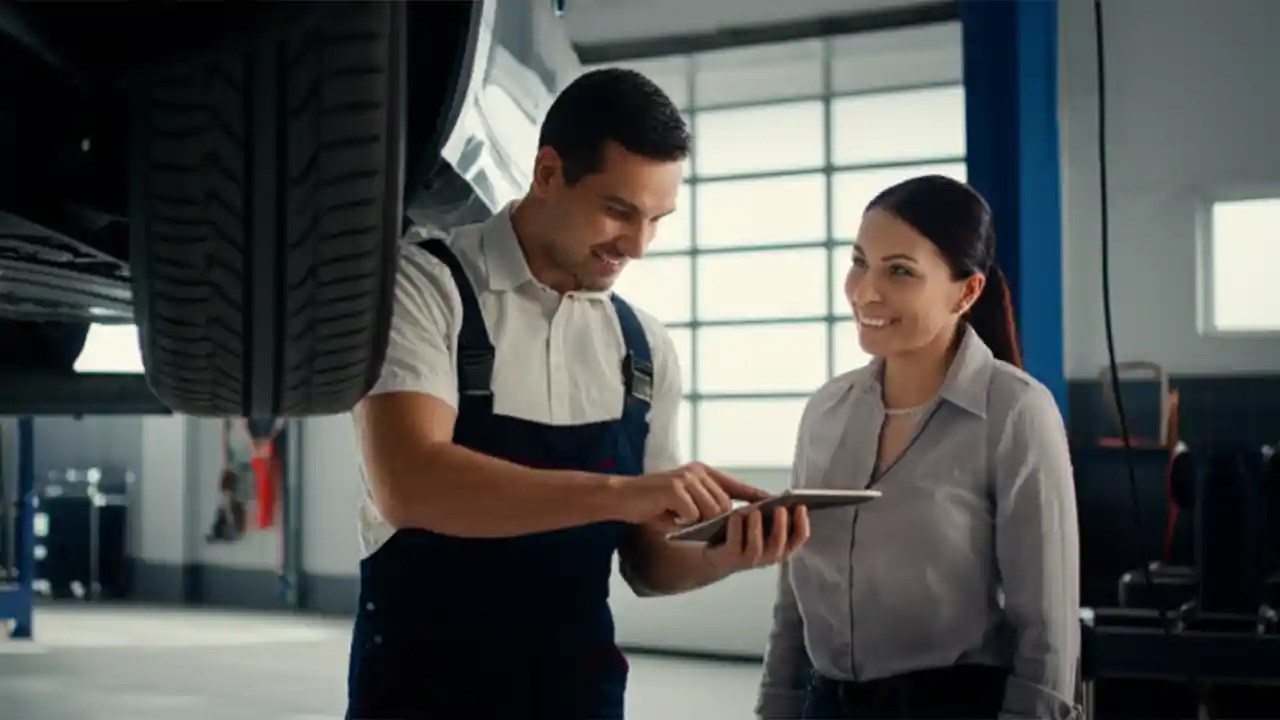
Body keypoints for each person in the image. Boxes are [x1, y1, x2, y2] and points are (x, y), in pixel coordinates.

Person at [347, 67, 810, 720]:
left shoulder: (642, 348)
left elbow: (648, 564)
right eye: (618, 210)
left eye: (657, 219)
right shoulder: (425, 287)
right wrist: (625, 493)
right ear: (547, 172)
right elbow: (411, 482)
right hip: (421, 694)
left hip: (580, 698)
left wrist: (728, 553)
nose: (639, 245)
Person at [756, 175, 1081, 720]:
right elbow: (793, 598)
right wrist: (777, 707)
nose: (865, 291)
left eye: (899, 271)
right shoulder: (826, 410)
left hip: (954, 705)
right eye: (860, 261)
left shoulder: (1015, 410)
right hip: (827, 703)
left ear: (967, 291)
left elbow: (1047, 623)